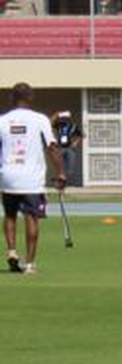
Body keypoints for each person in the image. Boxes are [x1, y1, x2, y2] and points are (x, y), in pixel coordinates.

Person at [0, 83, 65, 275]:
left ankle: (12, 251)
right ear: (30, 97)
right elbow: (52, 147)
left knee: (10, 215)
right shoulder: (40, 119)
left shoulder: (2, 120)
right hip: (31, 178)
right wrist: (60, 173)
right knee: (32, 217)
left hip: (8, 176)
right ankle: (29, 264)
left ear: (12, 98)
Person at [52, 111, 84, 187]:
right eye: (63, 118)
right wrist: (57, 114)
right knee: (59, 166)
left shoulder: (73, 126)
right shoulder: (59, 125)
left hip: (70, 148)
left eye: (66, 118)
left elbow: (81, 135)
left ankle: (69, 184)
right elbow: (51, 122)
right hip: (60, 147)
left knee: (70, 167)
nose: (64, 120)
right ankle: (61, 184)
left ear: (69, 119)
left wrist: (76, 142)